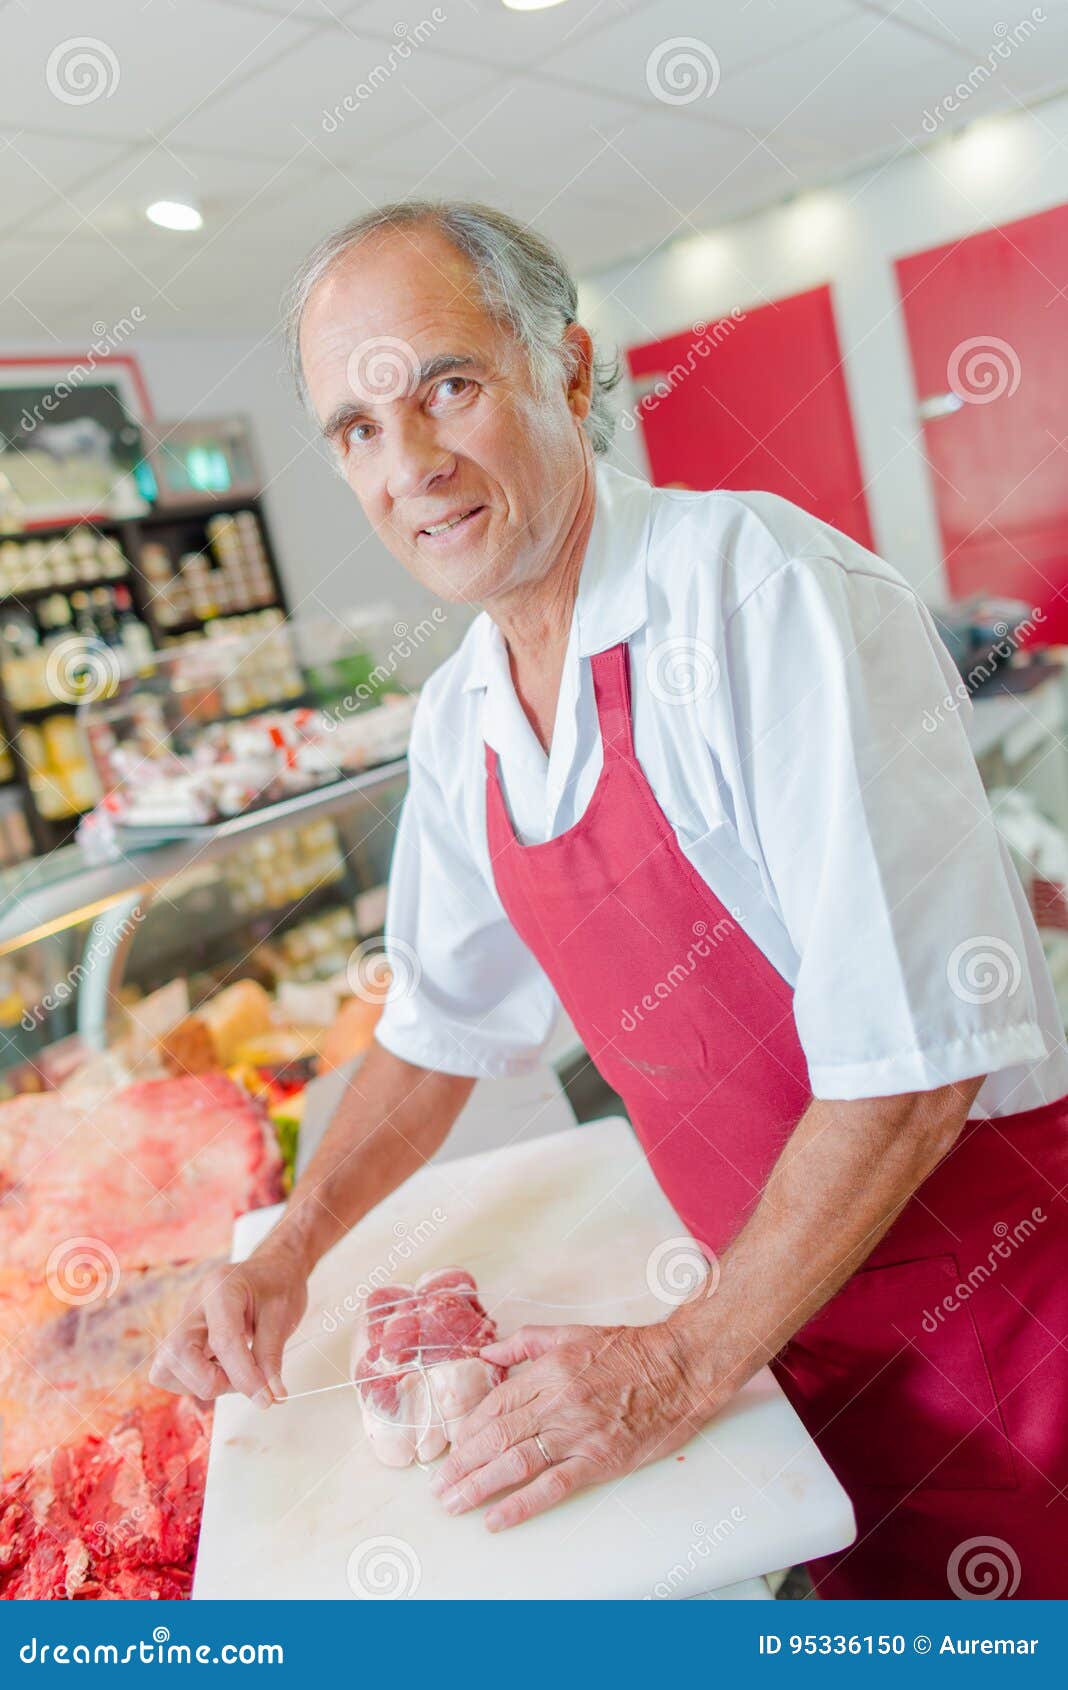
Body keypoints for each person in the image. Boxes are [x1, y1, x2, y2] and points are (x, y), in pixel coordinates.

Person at [152, 200, 1068, 1598]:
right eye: (356, 428)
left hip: (992, 1322)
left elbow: (909, 1075)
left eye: (446, 386)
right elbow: (437, 1025)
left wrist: (676, 1364)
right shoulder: (461, 716)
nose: (411, 465)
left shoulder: (759, 598)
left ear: (569, 374)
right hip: (779, 1322)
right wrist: (291, 1254)